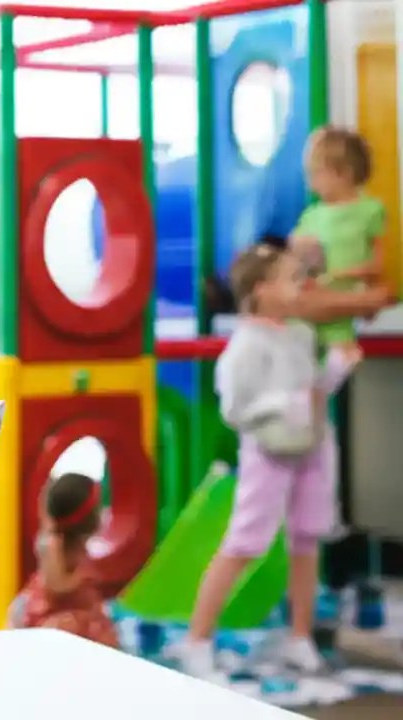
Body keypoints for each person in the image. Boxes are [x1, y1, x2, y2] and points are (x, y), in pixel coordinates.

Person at [175, 244, 360, 679]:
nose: (298, 286)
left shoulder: (298, 334)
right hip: (268, 453)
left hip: (312, 448)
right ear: (260, 290)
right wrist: (283, 404)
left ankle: (300, 636)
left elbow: (312, 390)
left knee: (307, 539)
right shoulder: (245, 345)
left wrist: (334, 371)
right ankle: (197, 639)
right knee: (245, 541)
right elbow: (235, 408)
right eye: (288, 279)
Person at [289, 126, 388, 351]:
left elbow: (377, 265)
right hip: (311, 302)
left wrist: (339, 275)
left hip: (345, 305)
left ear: (343, 172)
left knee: (340, 356)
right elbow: (298, 257)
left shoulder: (370, 211)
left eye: (317, 173)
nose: (311, 181)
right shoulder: (311, 215)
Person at [7, 473, 118, 649]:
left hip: (73, 605)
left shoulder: (77, 543)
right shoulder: (52, 544)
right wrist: (80, 578)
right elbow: (56, 585)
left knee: (104, 631)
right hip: (50, 609)